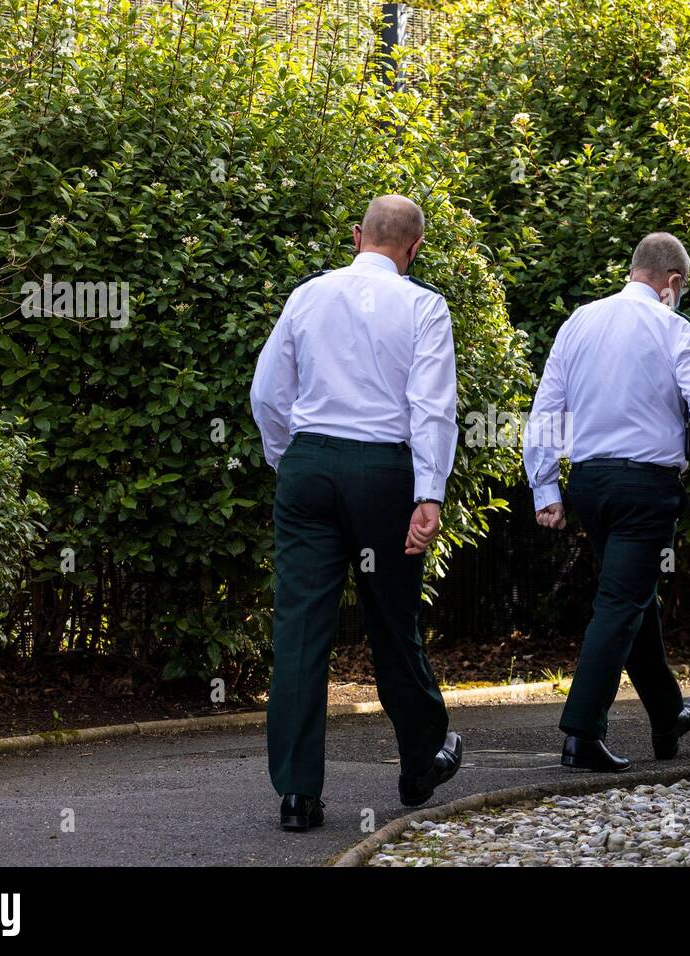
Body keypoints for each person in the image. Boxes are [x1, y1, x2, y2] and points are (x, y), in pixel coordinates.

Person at [250, 194, 463, 831]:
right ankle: (421, 758)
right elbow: (432, 409)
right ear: (414, 248)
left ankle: (297, 793)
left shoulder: (307, 296)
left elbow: (268, 391)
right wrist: (429, 492)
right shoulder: (424, 306)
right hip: (383, 473)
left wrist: (288, 459)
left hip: (310, 467)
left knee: (300, 628)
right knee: (392, 618)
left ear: (356, 237)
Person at [523, 232, 690, 771]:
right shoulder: (675, 329)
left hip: (589, 486)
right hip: (645, 489)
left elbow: (547, 410)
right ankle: (581, 732)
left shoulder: (579, 323)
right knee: (620, 604)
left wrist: (546, 487)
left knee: (634, 597)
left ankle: (668, 712)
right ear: (672, 283)